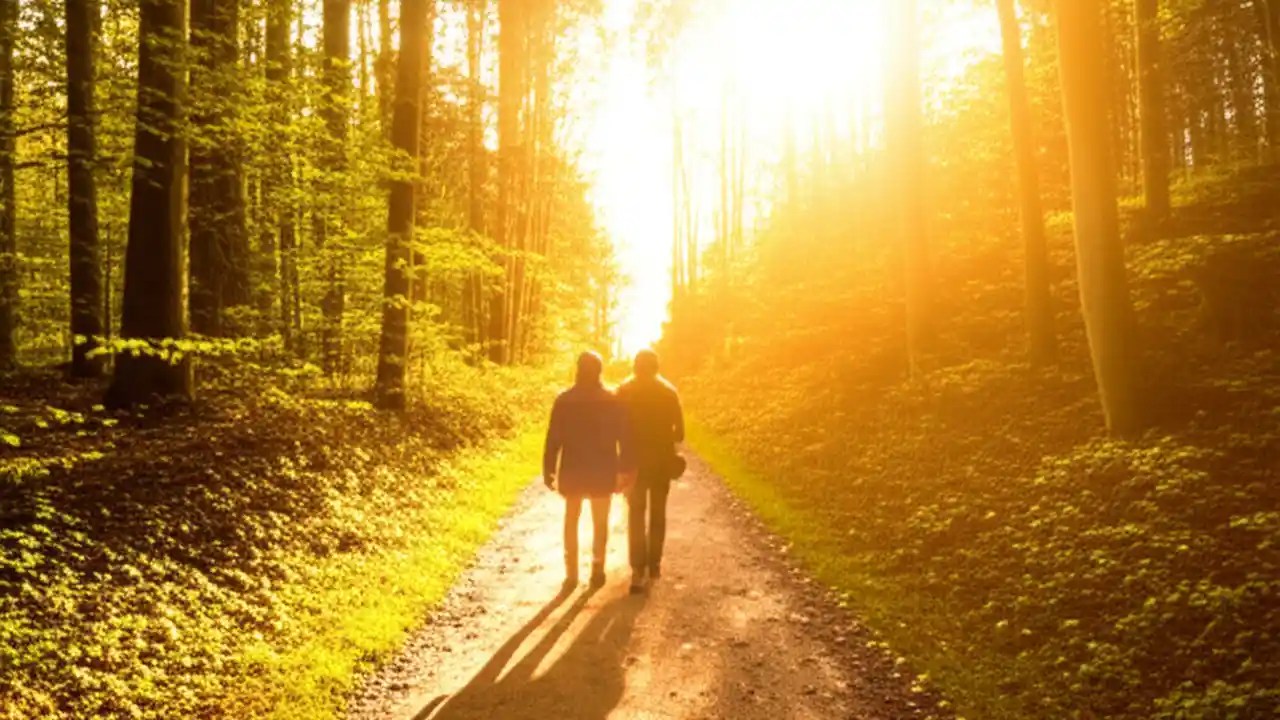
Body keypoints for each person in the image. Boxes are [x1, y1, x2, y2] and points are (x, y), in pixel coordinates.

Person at [543, 351, 634, 589]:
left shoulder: (564, 400)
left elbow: (553, 437)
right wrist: (624, 468)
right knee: (600, 520)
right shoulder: (612, 400)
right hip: (602, 466)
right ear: (599, 371)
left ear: (578, 369)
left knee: (571, 518)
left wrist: (549, 468)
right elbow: (624, 437)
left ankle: (571, 573)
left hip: (573, 466)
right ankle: (597, 568)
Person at [616, 349, 684, 594]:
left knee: (635, 514)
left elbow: (615, 428)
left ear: (636, 366)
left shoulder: (624, 390)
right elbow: (680, 433)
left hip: (633, 463)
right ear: (657, 366)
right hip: (662, 462)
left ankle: (637, 569)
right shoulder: (669, 392)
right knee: (657, 513)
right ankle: (654, 564)